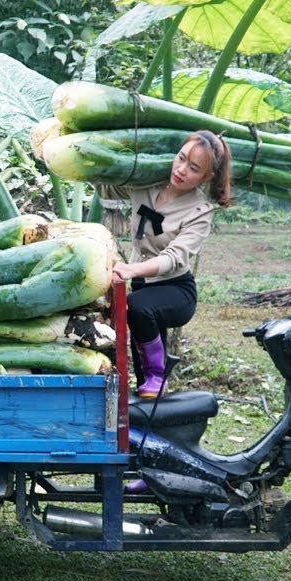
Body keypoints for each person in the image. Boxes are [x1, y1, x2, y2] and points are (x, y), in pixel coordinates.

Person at [107, 130, 233, 399]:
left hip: (175, 290)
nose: (182, 169)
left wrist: (131, 270)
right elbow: (109, 184)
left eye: (194, 168)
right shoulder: (146, 183)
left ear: (206, 177)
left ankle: (157, 375)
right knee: (145, 389)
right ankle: (148, 407)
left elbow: (174, 257)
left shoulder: (200, 211)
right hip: (143, 286)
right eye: (181, 158)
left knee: (138, 307)